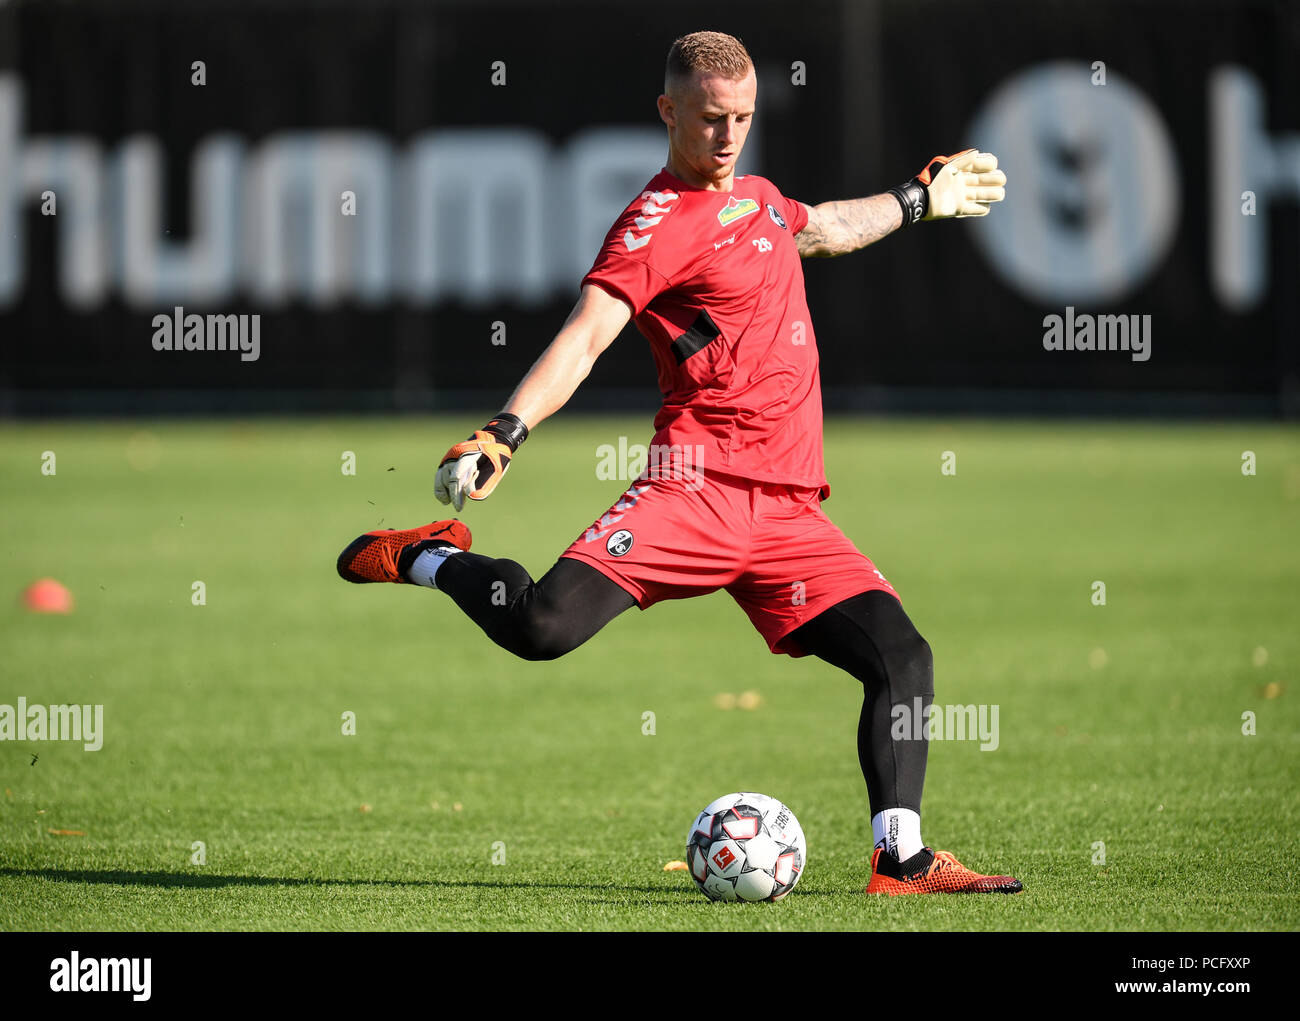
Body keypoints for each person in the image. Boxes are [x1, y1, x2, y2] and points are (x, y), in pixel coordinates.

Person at [338, 30, 1019, 896]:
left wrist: (917, 199)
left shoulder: (763, 200)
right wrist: (503, 430)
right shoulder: (653, 224)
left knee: (903, 656)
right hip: (694, 493)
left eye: (741, 117)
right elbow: (584, 338)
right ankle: (428, 554)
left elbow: (827, 230)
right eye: (709, 119)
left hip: (788, 515)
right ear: (668, 112)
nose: (727, 136)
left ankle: (903, 859)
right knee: (543, 627)